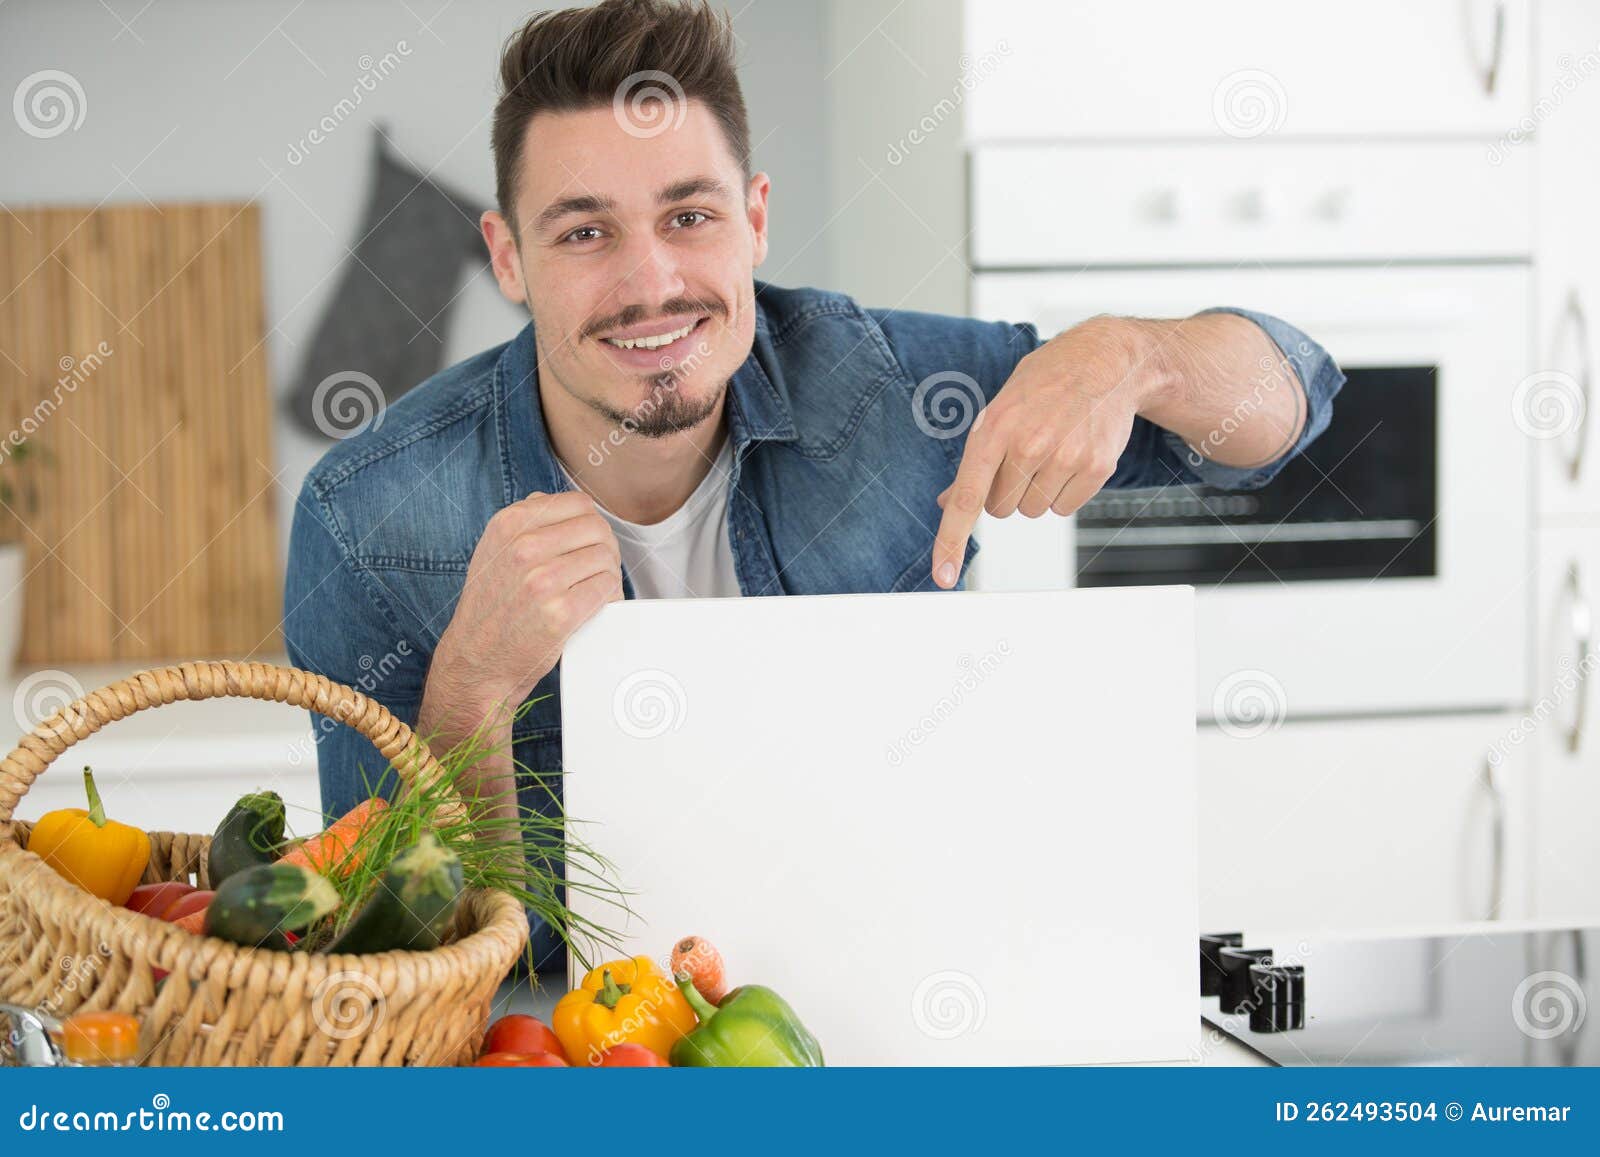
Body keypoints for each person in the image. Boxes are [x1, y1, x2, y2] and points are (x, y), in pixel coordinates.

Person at [283, 0, 1344, 968]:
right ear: (508, 257)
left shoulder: (888, 387)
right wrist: (469, 691)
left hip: (905, 1008)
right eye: (586, 231)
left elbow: (1287, 405)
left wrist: (1131, 355)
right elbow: (398, 963)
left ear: (754, 218)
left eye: (688, 216)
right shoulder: (366, 515)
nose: (651, 283)